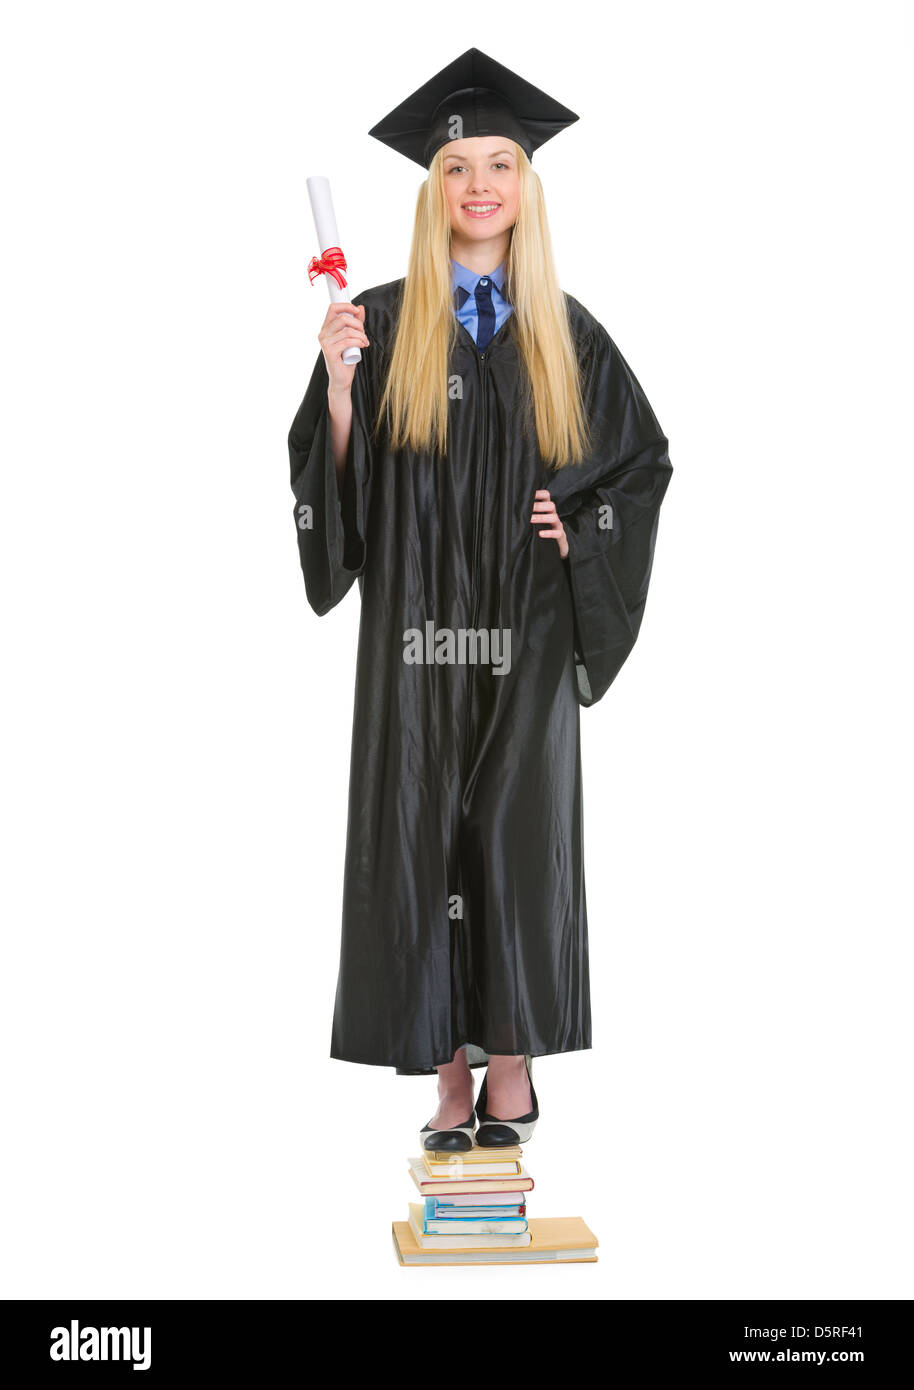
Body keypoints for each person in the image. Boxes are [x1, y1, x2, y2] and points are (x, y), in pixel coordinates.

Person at [289, 49, 673, 1151]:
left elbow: (636, 468)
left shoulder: (566, 331)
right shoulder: (377, 319)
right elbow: (336, 489)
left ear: (525, 183)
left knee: (509, 833)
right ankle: (445, 1078)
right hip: (414, 639)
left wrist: (583, 526)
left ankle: (510, 1063)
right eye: (456, 166)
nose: (478, 186)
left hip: (530, 632)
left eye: (498, 163)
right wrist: (342, 389)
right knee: (421, 832)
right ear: (432, 187)